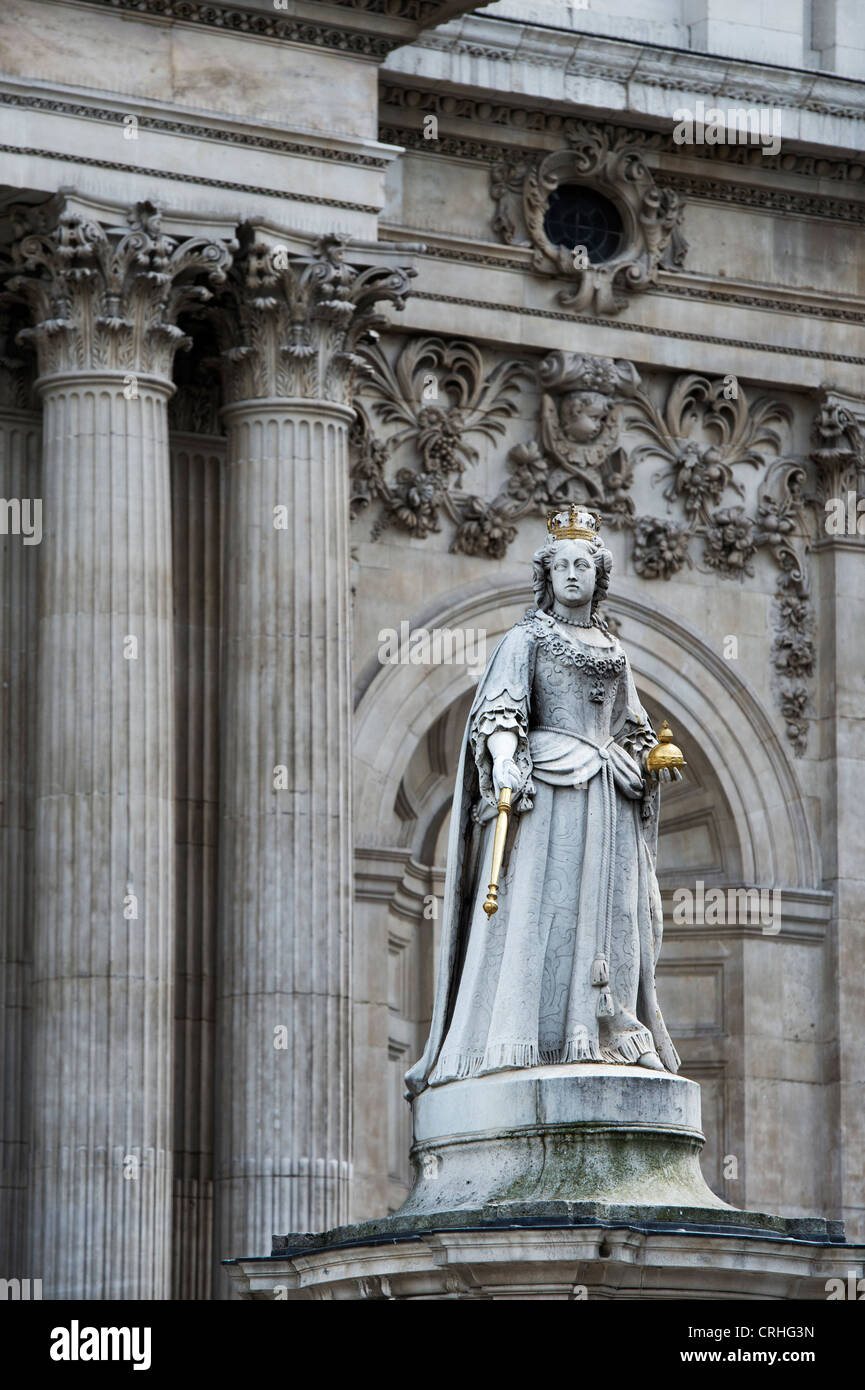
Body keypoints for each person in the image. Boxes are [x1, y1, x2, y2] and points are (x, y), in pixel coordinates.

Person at [405, 505, 682, 1098]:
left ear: (598, 575)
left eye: (585, 564)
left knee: (615, 913)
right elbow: (501, 710)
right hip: (550, 790)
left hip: (608, 792)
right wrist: (505, 757)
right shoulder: (525, 639)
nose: (575, 574)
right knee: (541, 910)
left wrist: (650, 759)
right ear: (548, 575)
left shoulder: (614, 651)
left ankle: (609, 1028)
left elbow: (631, 727)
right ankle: (529, 1032)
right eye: (564, 565)